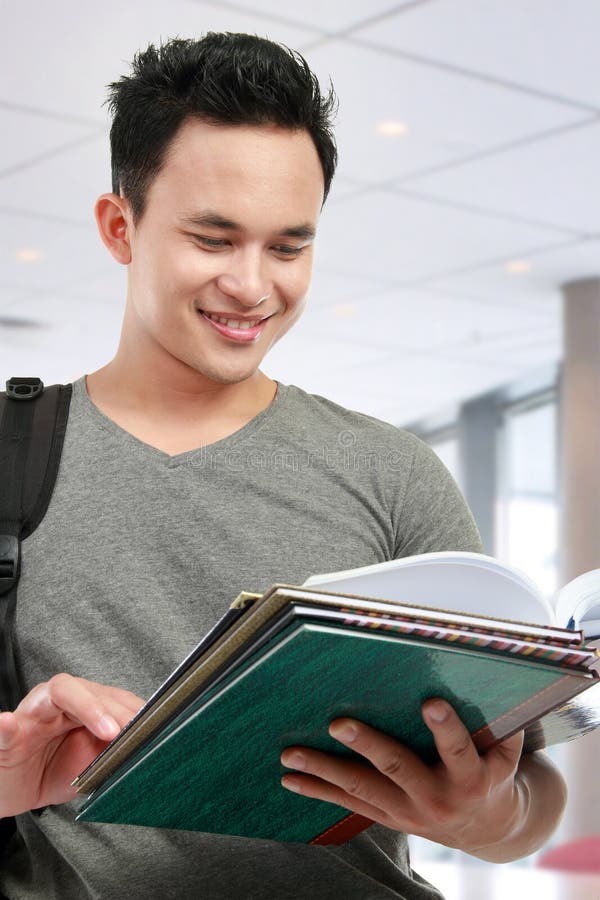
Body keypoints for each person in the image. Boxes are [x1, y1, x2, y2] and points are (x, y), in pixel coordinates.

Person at [0, 33, 567, 900]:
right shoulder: (12, 454)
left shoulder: (394, 474)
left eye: (289, 247)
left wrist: (482, 817)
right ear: (121, 226)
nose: (253, 286)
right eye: (213, 239)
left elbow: (529, 788)